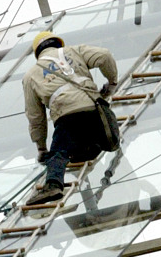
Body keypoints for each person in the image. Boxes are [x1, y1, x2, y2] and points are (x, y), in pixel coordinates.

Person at [23, 32, 118, 205]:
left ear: (37, 52)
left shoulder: (31, 75)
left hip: (67, 117)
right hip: (94, 110)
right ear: (58, 44)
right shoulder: (75, 51)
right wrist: (111, 83)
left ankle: (53, 186)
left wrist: (42, 148)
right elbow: (104, 55)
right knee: (94, 142)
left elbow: (36, 117)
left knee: (58, 153)